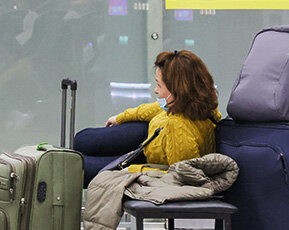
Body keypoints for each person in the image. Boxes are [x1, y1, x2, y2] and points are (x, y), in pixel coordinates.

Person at [76, 49, 222, 182]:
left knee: (76, 166)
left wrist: (133, 171)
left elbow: (180, 176)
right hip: (149, 147)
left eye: (159, 85)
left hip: (148, 163)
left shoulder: (179, 127)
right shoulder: (195, 108)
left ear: (177, 91)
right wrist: (120, 118)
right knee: (82, 142)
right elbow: (152, 109)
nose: (155, 90)